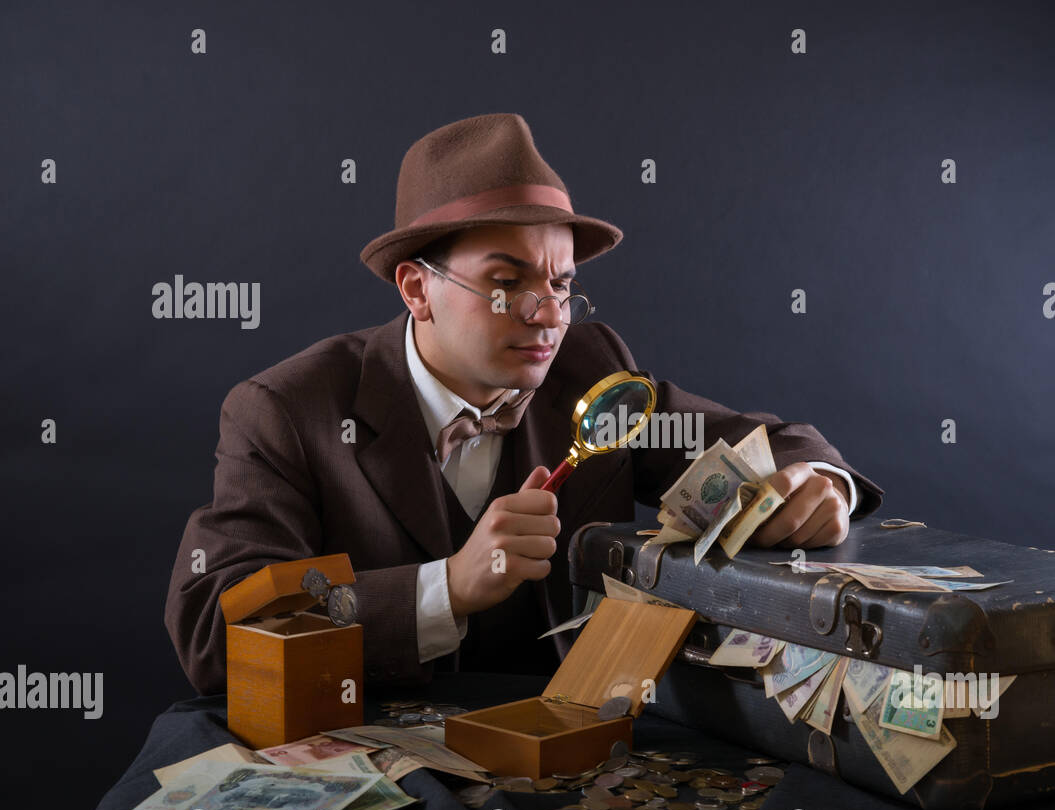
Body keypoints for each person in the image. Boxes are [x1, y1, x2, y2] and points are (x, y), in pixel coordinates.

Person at [164, 113, 884, 696]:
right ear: (416, 290)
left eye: (563, 284)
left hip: (570, 766)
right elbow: (216, 624)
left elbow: (772, 442)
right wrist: (444, 588)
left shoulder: (591, 371)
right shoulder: (288, 411)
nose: (548, 316)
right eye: (508, 283)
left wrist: (818, 484)